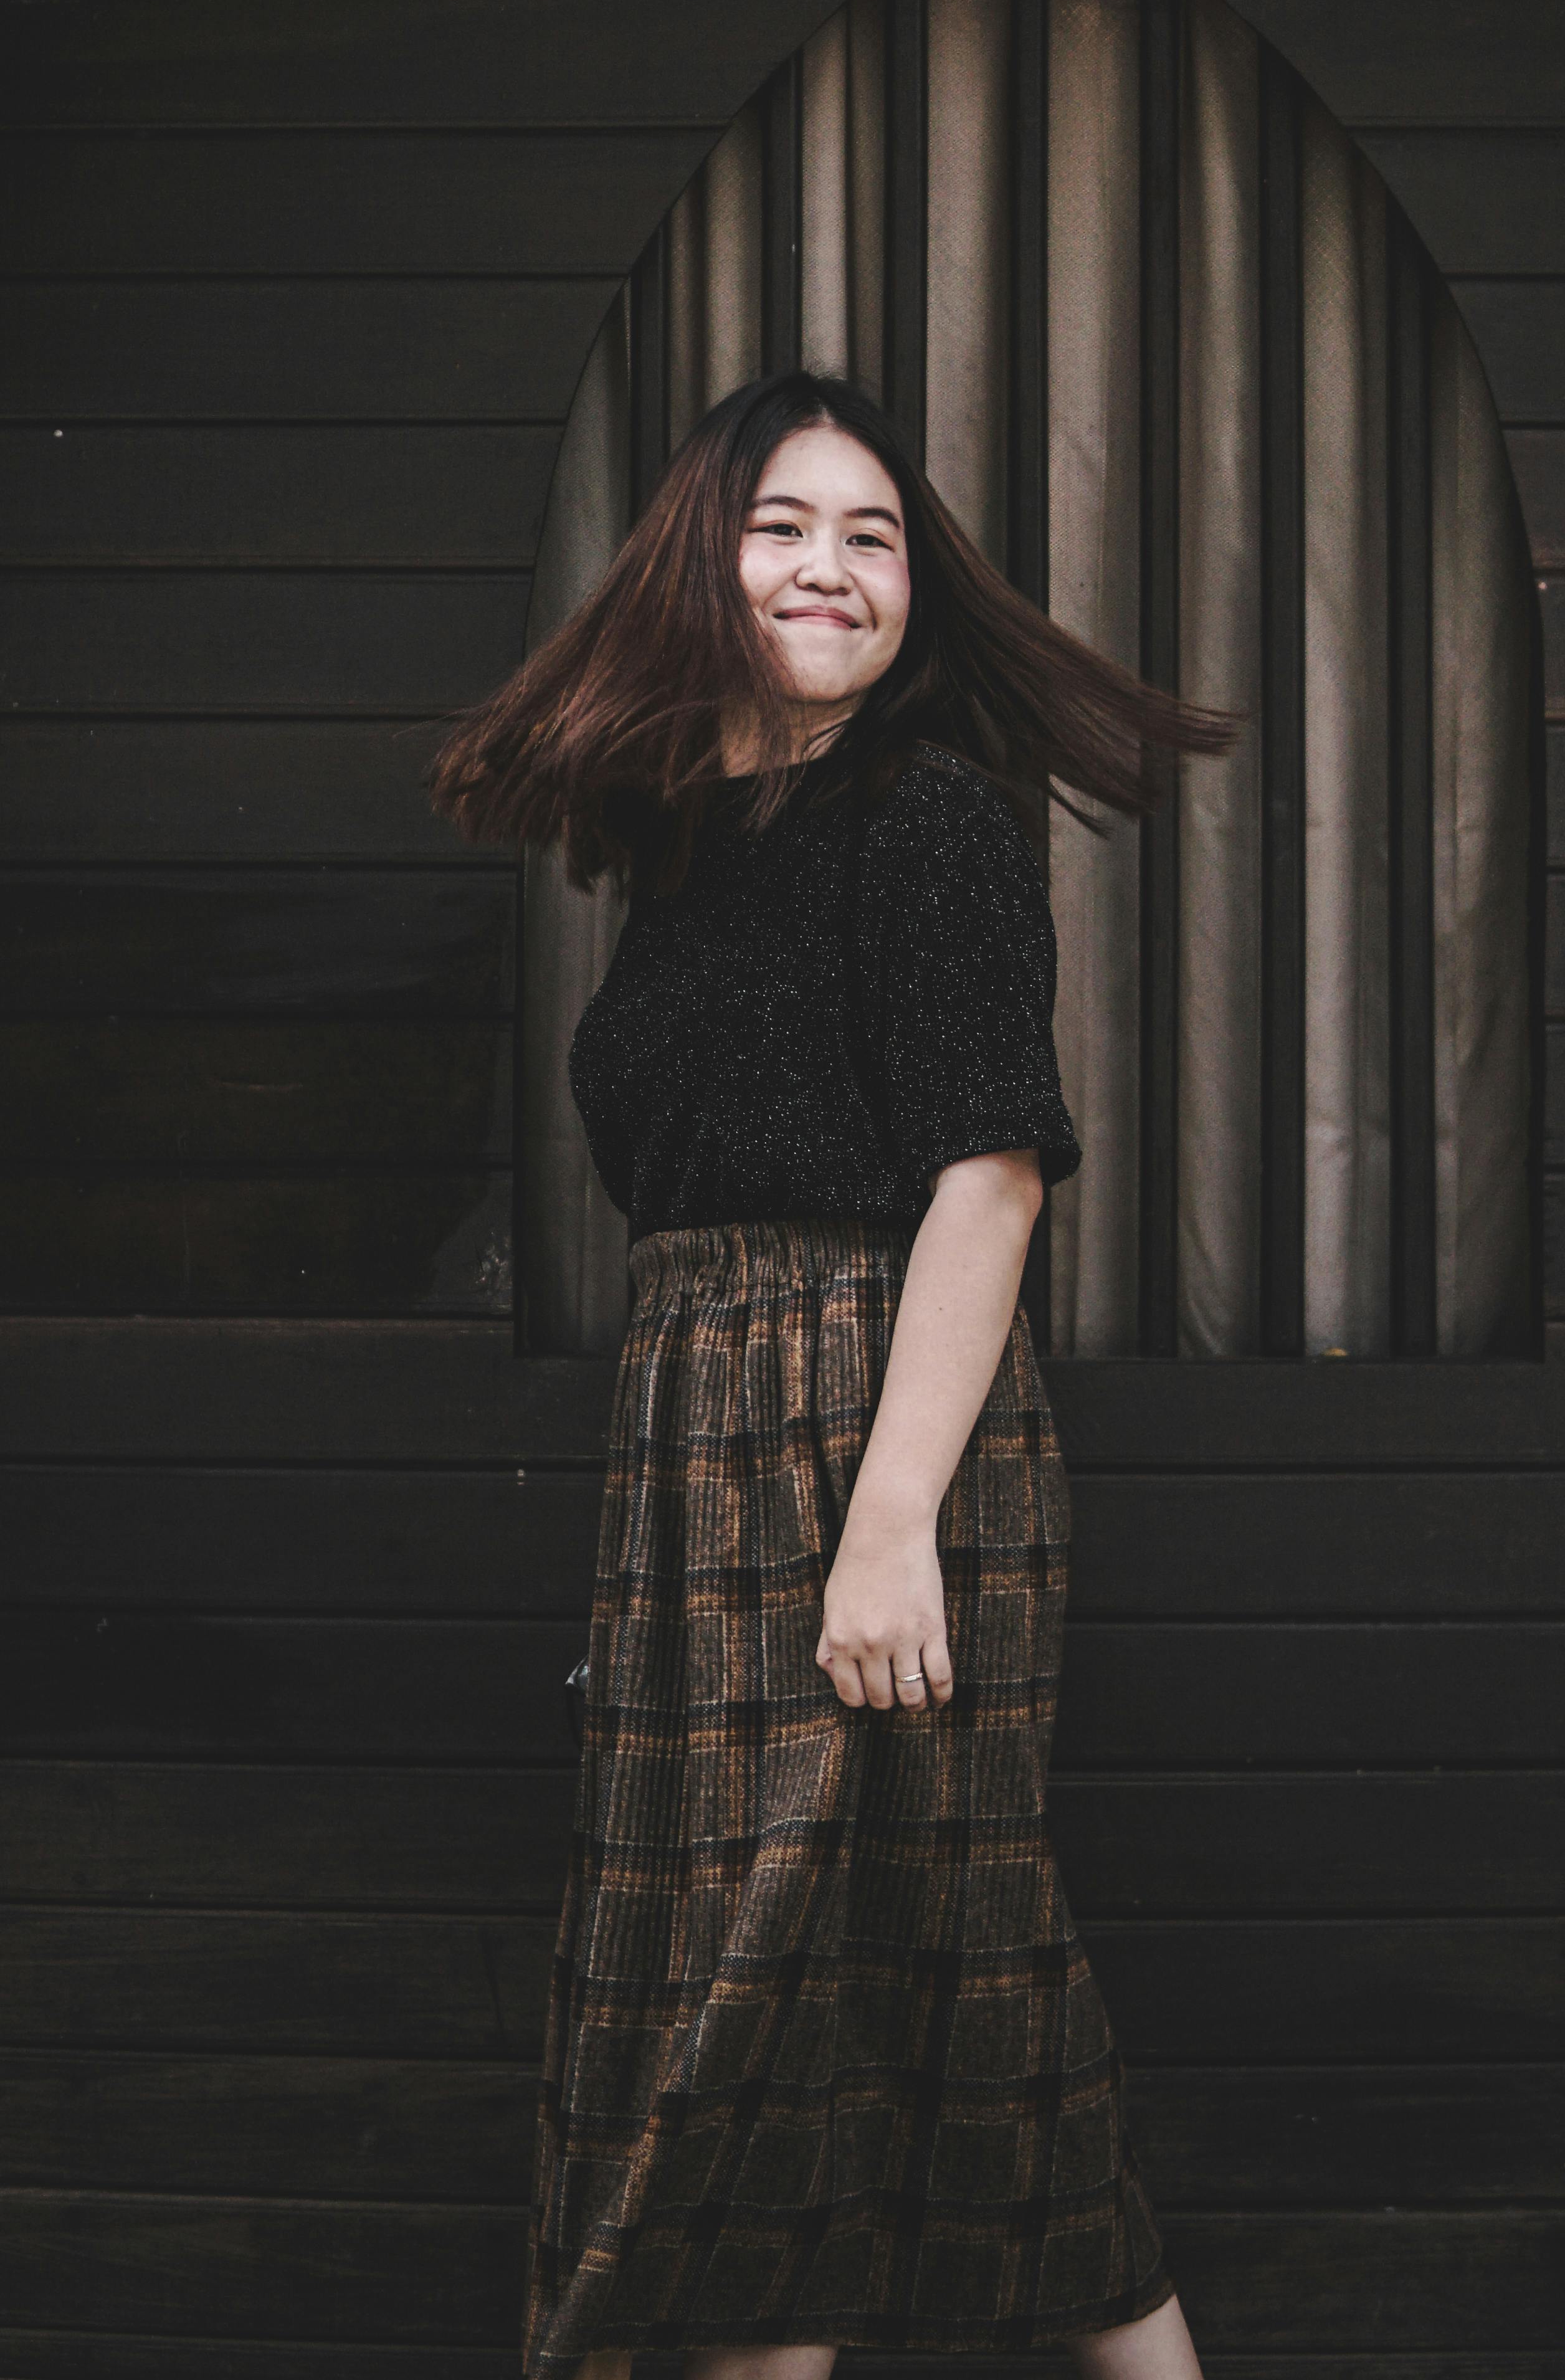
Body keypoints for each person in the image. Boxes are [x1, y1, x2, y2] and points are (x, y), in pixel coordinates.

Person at [431, 368, 1233, 2380]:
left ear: (913, 593)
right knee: (747, 2010)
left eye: (873, 536)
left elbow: (991, 1177)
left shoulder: (931, 814)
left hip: (882, 1444)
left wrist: (886, 1532)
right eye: (789, 524)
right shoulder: (692, 843)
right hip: (696, 1452)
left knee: (953, 1981)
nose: (832, 567)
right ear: (709, 556)